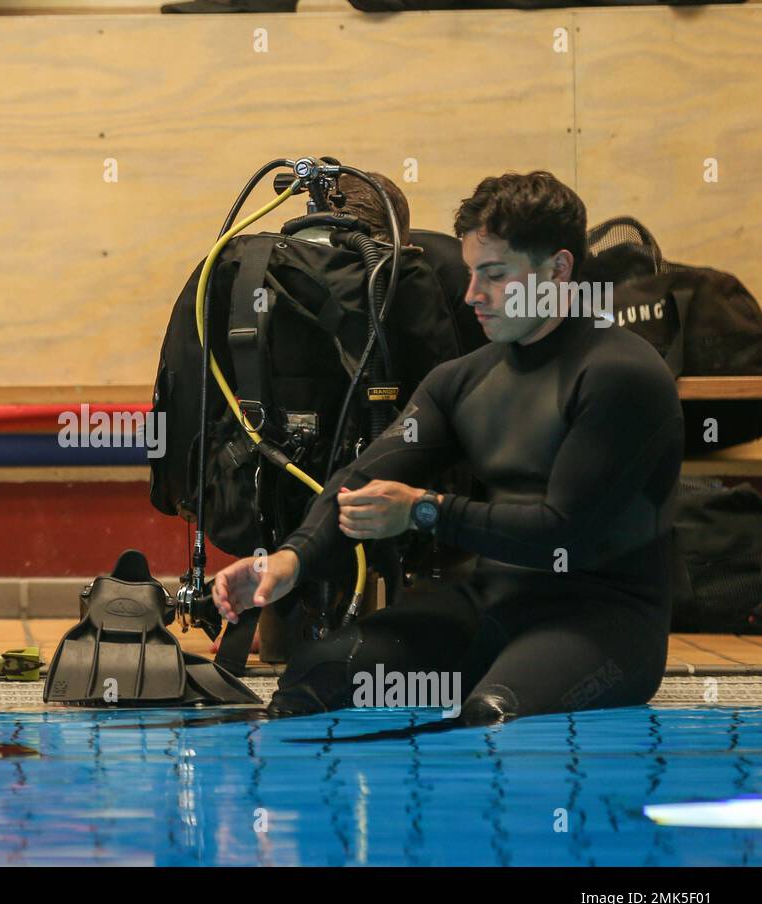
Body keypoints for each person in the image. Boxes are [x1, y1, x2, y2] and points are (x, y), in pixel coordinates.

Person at [213, 170, 684, 723]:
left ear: (558, 269)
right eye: (469, 272)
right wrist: (292, 560)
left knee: (494, 713)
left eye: (494, 274)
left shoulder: (621, 375)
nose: (471, 295)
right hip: (495, 603)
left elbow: (565, 531)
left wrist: (425, 510)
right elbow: (362, 482)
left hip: (602, 620)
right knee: (318, 675)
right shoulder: (463, 380)